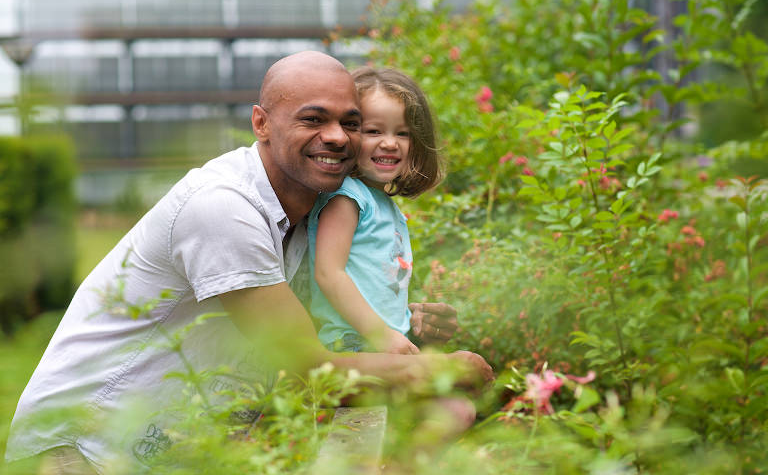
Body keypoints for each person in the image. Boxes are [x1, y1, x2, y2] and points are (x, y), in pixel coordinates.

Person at [5, 51, 493, 474]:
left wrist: (395, 321)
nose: (337, 137)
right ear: (261, 123)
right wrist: (440, 372)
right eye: (313, 119)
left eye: (349, 122)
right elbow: (306, 366)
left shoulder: (311, 211)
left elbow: (315, 310)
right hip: (84, 450)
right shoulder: (224, 208)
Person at [309, 67, 442, 355]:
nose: (390, 143)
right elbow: (329, 273)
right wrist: (381, 335)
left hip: (381, 341)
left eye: (403, 133)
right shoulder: (347, 198)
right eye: (373, 131)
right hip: (353, 343)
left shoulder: (382, 203)